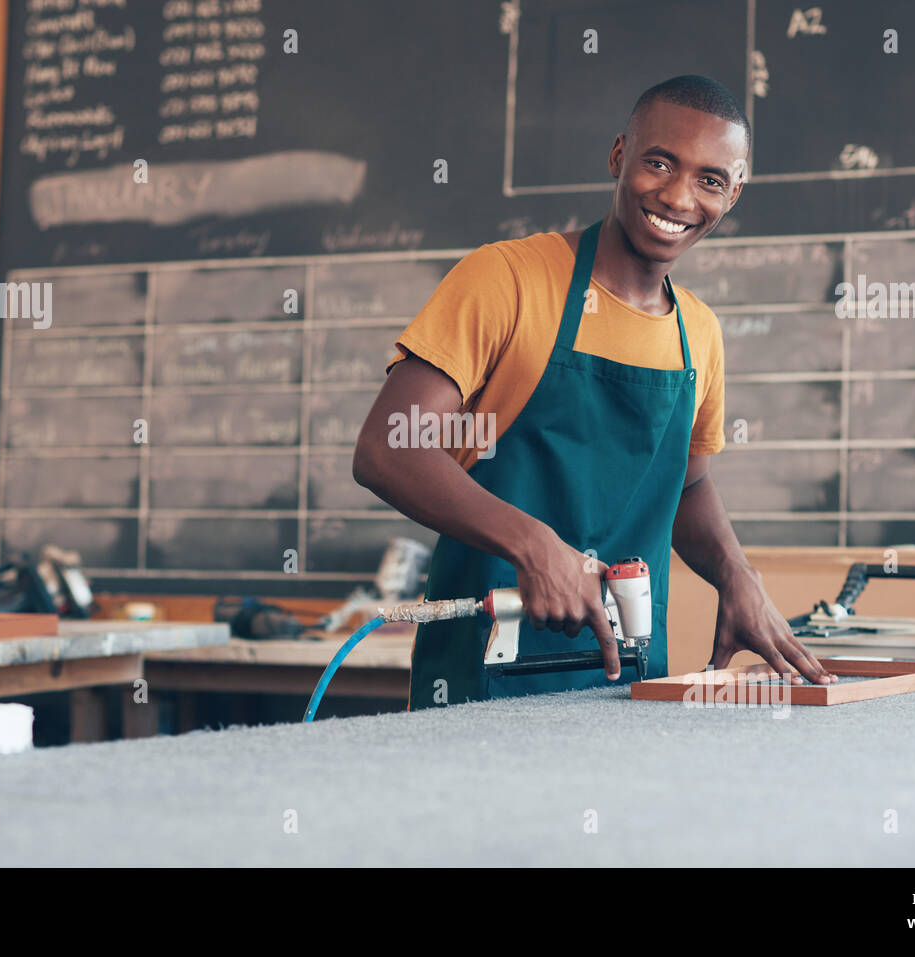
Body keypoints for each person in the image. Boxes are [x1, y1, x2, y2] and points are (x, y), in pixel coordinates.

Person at [353, 75, 835, 710]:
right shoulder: (507, 280)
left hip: (627, 688)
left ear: (734, 192)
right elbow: (389, 450)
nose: (678, 195)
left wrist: (737, 577)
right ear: (618, 156)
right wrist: (534, 544)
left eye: (710, 179)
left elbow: (687, 487)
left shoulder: (700, 333)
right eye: (659, 162)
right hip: (482, 679)